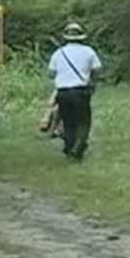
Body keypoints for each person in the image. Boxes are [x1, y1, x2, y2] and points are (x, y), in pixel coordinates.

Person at [47, 22, 102, 161]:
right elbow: (97, 70)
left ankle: (69, 148)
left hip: (62, 92)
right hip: (81, 91)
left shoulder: (58, 53)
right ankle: (77, 149)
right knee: (83, 121)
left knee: (68, 122)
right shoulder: (89, 51)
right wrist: (92, 81)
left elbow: (51, 73)